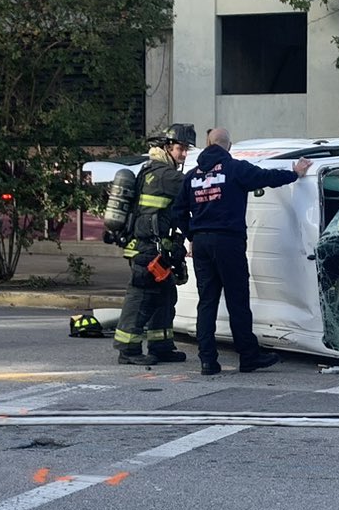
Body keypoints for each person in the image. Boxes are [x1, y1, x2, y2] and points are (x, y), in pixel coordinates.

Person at [177, 127, 308, 375]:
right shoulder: (236, 169)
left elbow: (178, 211)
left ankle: (208, 361)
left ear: (207, 144)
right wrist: (294, 173)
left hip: (202, 243)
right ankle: (248, 357)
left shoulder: (192, 176)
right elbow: (266, 177)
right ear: (229, 145)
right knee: (237, 300)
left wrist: (192, 235)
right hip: (228, 242)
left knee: (207, 302)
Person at [113, 123, 195, 367]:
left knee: (165, 296)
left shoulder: (150, 170)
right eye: (181, 148)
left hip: (153, 248)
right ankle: (128, 348)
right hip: (148, 250)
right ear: (167, 147)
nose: (184, 154)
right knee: (141, 298)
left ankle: (161, 346)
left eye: (186, 149)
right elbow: (193, 189)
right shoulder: (165, 175)